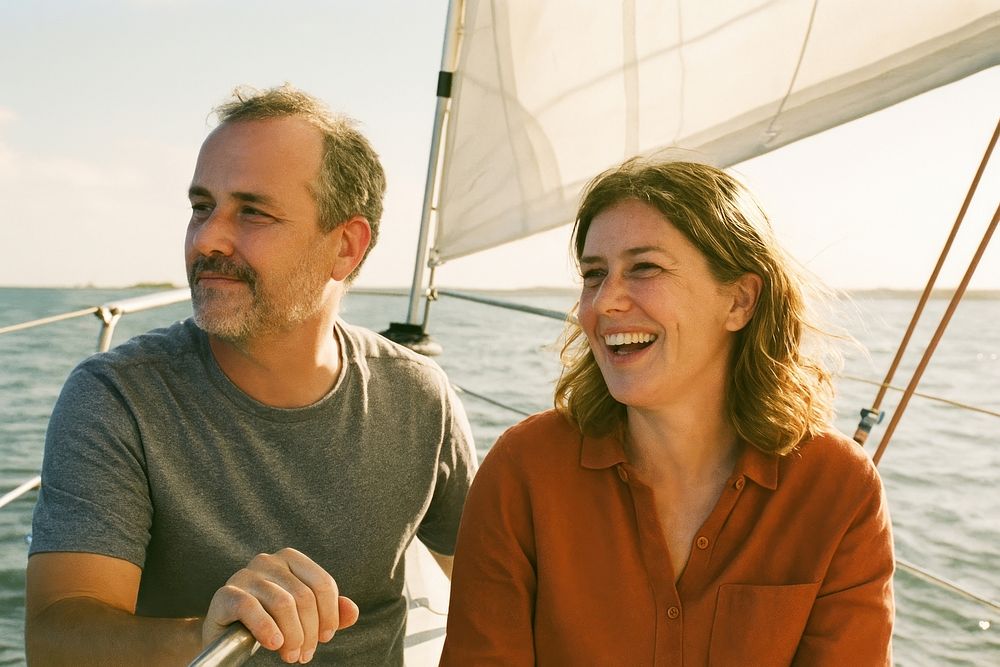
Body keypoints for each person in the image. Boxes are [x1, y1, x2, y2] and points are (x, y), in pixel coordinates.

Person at [25, 85, 475, 666]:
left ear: (345, 246)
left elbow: (490, 588)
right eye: (200, 206)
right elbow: (56, 638)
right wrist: (205, 634)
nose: (207, 238)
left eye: (252, 212)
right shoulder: (118, 397)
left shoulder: (417, 396)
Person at [440, 159, 894, 665]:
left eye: (644, 267)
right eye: (594, 275)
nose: (604, 302)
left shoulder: (837, 488)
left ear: (740, 301)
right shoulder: (524, 469)